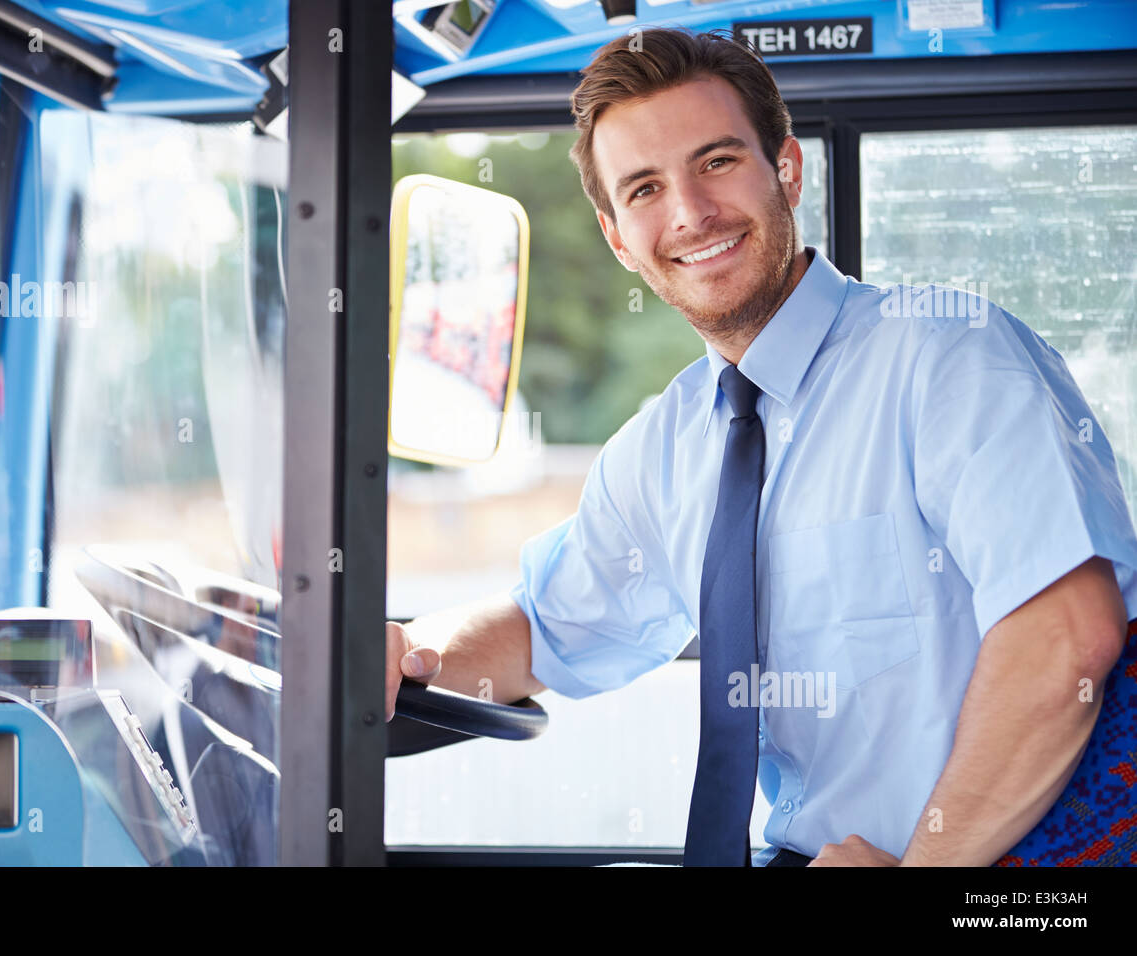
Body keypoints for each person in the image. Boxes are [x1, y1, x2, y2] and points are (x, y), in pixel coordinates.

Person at [385, 27, 1137, 867]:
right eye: (643, 189)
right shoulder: (663, 450)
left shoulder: (950, 359)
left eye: (716, 162)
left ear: (787, 168)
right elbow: (541, 626)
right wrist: (405, 652)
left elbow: (1068, 635)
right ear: (616, 237)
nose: (689, 214)